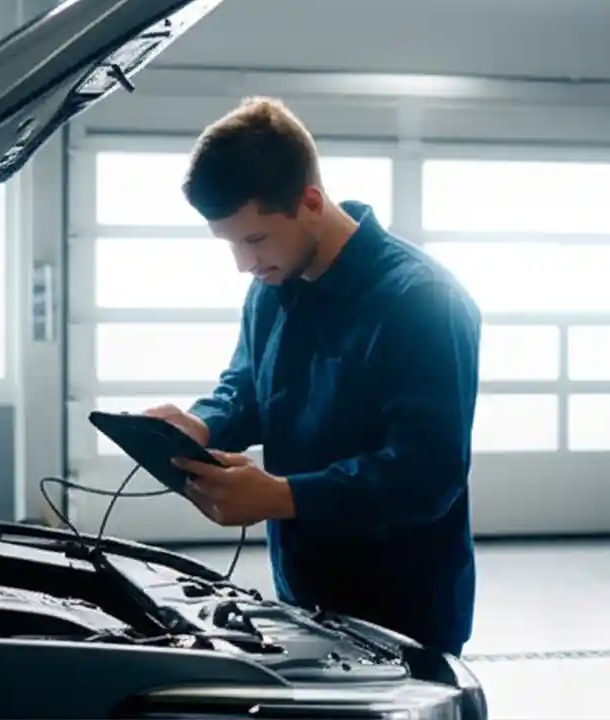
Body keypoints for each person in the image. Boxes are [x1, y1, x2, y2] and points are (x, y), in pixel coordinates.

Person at [144, 97, 481, 656]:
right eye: (230, 243)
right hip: (304, 598)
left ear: (310, 202)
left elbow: (426, 475)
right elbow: (248, 388)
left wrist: (283, 496)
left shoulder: (422, 300)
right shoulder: (272, 286)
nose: (244, 263)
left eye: (254, 239)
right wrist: (198, 426)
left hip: (406, 613)